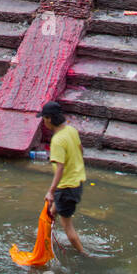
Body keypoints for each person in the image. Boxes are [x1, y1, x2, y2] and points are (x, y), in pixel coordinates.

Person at [39, 102, 87, 255]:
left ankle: (84, 253)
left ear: (49, 119)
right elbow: (81, 150)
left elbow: (60, 168)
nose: (43, 122)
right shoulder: (71, 131)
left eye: (44, 119)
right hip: (77, 182)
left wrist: (51, 191)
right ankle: (46, 238)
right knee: (52, 213)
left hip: (66, 187)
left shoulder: (57, 141)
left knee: (67, 226)